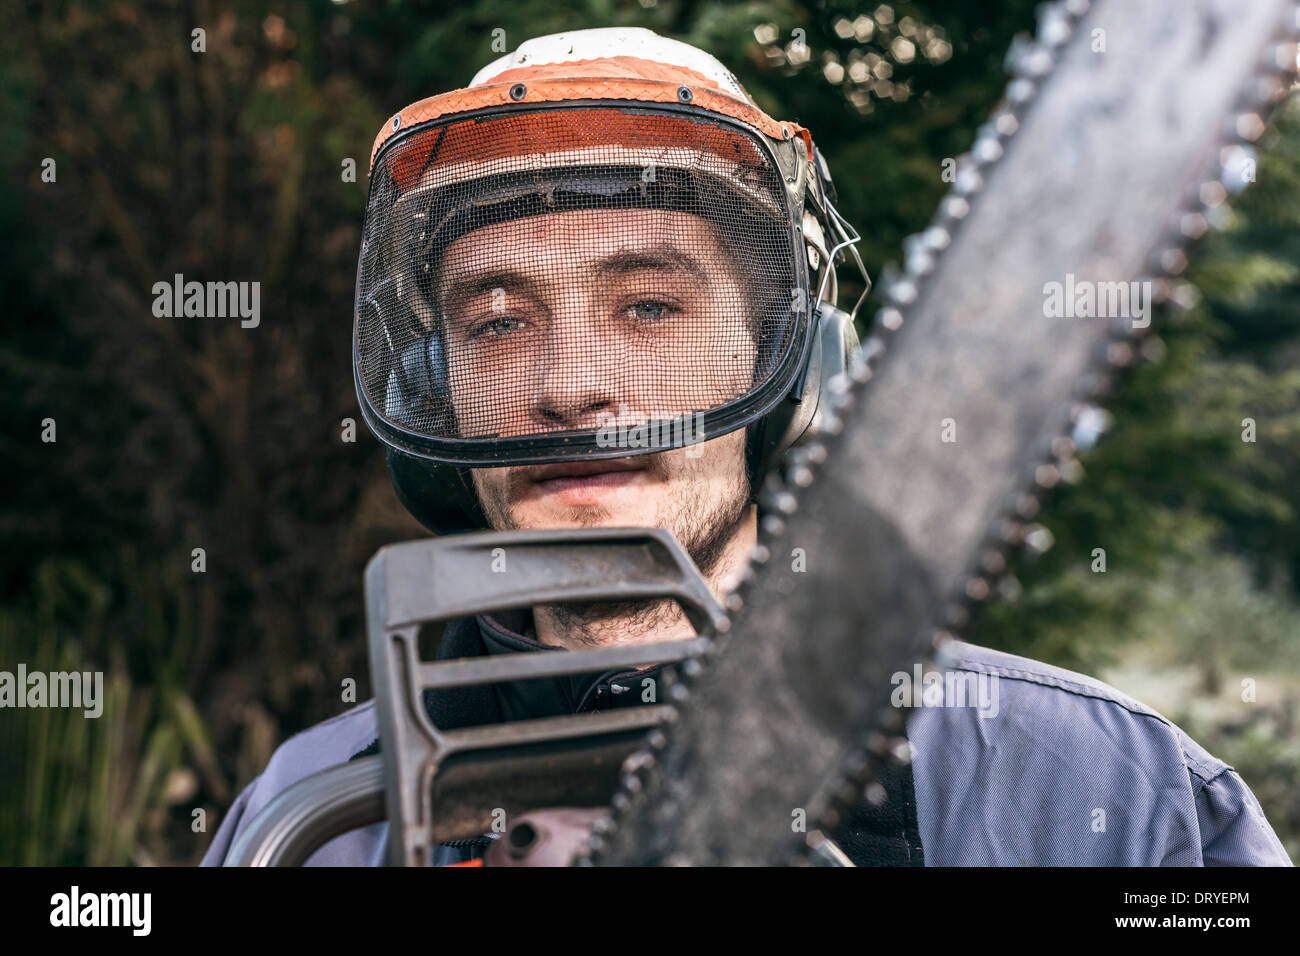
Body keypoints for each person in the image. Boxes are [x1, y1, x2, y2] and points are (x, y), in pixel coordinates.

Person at [201, 27, 1291, 867]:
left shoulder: (1097, 790)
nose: (568, 384)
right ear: (434, 387)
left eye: (648, 307)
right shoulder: (316, 814)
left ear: (790, 361)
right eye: (496, 319)